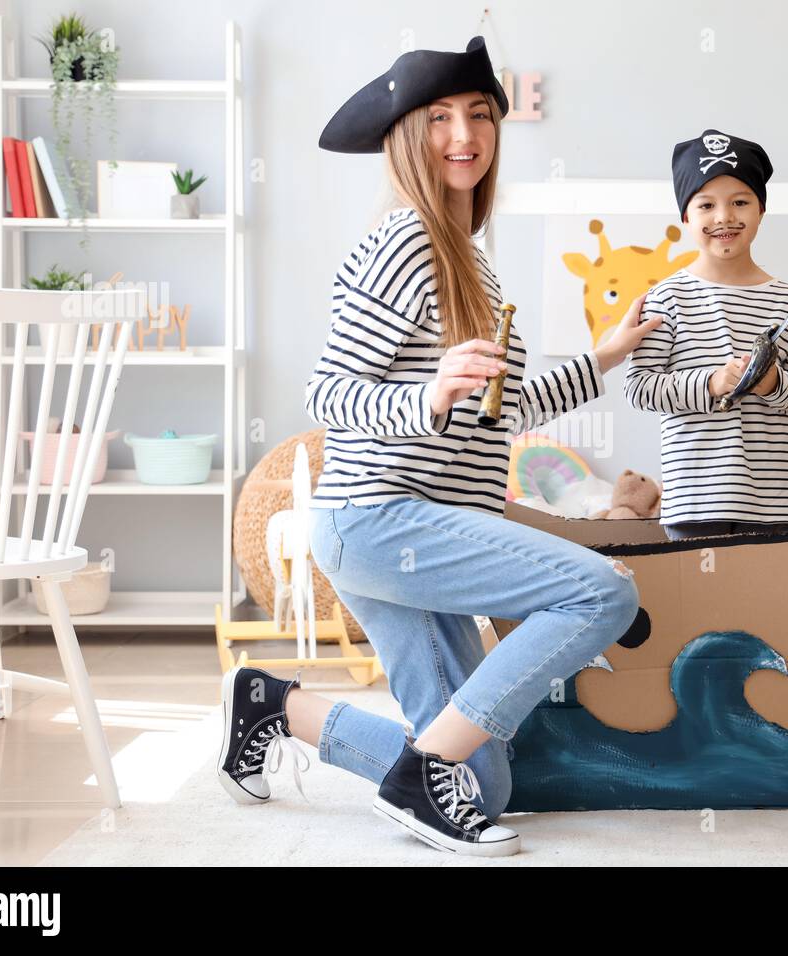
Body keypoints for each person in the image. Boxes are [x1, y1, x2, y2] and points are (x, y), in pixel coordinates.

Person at [215, 37, 658, 857]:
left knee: (482, 782)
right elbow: (325, 394)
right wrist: (426, 393)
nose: (465, 133)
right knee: (602, 595)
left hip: (415, 531)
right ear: (406, 137)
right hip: (385, 520)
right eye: (441, 118)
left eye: (480, 114)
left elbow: (501, 410)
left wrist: (604, 356)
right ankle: (423, 778)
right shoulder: (406, 243)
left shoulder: (469, 262)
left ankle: (275, 707)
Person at [623, 128, 788, 542]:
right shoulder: (667, 297)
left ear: (761, 211)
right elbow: (639, 387)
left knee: (774, 605)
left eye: (740, 202)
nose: (724, 217)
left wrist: (772, 383)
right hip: (696, 501)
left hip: (776, 502)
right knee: (700, 605)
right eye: (706, 205)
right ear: (686, 216)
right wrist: (710, 382)